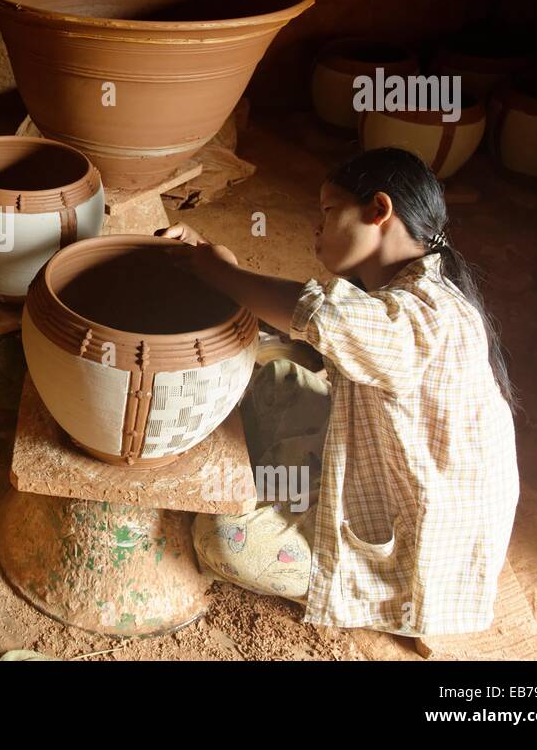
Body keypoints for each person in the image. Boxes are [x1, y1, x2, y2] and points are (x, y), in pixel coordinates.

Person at [158, 147, 518, 636]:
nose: (317, 226)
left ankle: (361, 583)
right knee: (275, 378)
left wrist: (219, 270)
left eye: (329, 210)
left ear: (379, 211)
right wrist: (213, 262)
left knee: (224, 538)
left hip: (415, 549)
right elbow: (316, 329)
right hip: (388, 472)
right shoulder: (415, 286)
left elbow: (323, 315)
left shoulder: (422, 319)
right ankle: (275, 476)